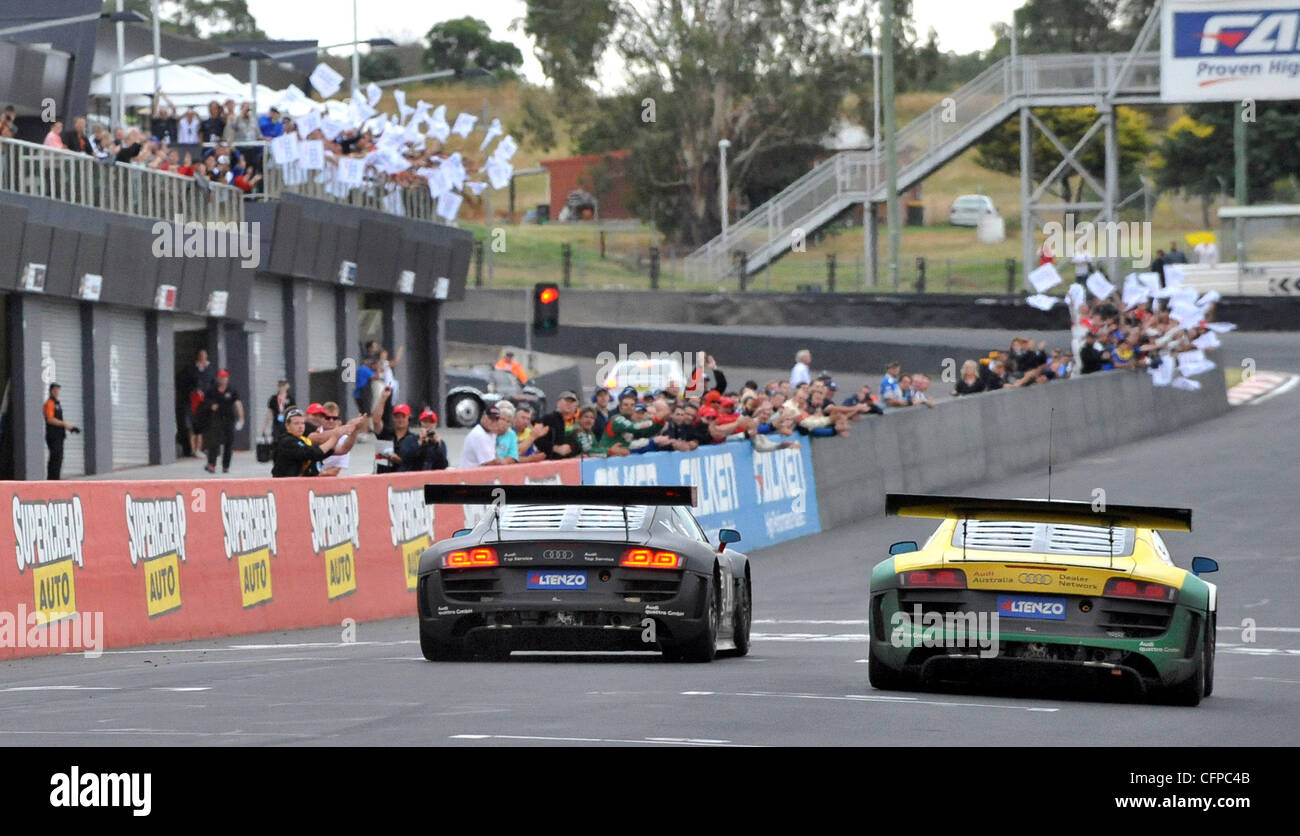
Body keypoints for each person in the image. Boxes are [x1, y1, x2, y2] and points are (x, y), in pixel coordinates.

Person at [272, 407, 339, 477]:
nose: (300, 426)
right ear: (287, 425)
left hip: (299, 483)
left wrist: (333, 444)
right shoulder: (287, 441)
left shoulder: (302, 439)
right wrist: (334, 437)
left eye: (302, 423)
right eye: (296, 423)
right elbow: (313, 453)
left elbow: (319, 454)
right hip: (285, 484)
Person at [200, 370, 244, 474]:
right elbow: (205, 402)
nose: (224, 380)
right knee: (214, 442)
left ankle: (226, 466)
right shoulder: (212, 390)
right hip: (216, 419)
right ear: (218, 378)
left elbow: (238, 404)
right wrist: (211, 405)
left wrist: (241, 418)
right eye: (222, 378)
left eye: (226, 378)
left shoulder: (232, 390)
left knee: (229, 443)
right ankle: (212, 464)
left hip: (229, 419)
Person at [317, 402, 370, 476]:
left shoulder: (343, 439)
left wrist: (354, 430)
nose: (331, 421)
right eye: (327, 418)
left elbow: (335, 470)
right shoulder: (315, 432)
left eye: (335, 418)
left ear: (339, 420)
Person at [43, 383, 80, 480]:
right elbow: (50, 419)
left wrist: (70, 428)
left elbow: (59, 419)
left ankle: (56, 479)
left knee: (58, 458)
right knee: (55, 458)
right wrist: (65, 424)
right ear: (51, 391)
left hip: (59, 436)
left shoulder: (57, 403)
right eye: (55, 390)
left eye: (58, 390)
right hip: (53, 436)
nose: (57, 392)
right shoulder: (49, 403)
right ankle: (52, 480)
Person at [376, 403, 422, 472]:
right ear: (393, 418)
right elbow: (376, 421)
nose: (400, 420)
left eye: (403, 416)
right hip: (382, 476)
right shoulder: (385, 434)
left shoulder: (413, 439)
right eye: (397, 417)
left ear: (408, 418)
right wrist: (383, 399)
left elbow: (415, 463)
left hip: (402, 478)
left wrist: (399, 460)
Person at [534, 391, 579, 459]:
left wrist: (571, 447)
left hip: (570, 462)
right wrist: (555, 448)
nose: (569, 404)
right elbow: (537, 440)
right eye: (566, 401)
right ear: (558, 403)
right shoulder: (548, 419)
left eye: (572, 402)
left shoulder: (576, 422)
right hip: (550, 463)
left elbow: (578, 443)